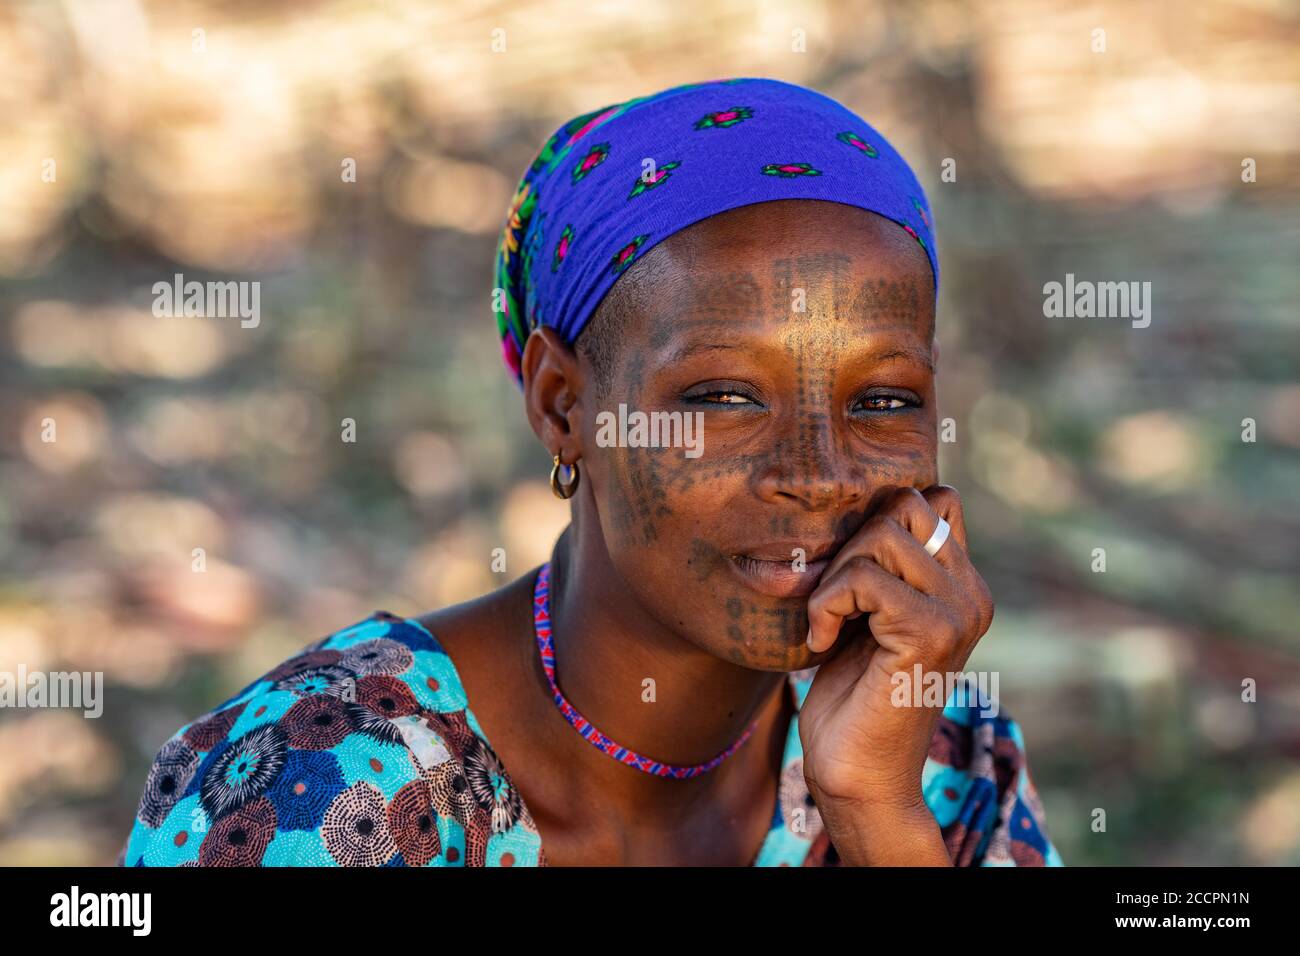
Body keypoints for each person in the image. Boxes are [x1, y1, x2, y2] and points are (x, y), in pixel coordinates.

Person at [120, 77, 1063, 867]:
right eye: (725, 397)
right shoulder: (317, 789)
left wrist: (875, 816)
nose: (816, 477)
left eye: (883, 401)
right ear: (563, 405)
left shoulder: (937, 758)